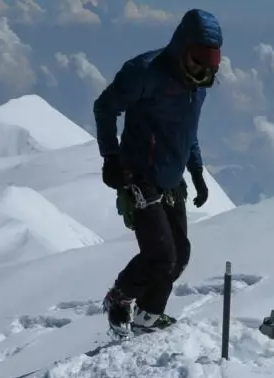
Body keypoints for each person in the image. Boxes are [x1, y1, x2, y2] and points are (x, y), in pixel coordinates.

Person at [93, 9, 222, 335]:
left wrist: (196, 172)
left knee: (179, 255)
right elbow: (105, 108)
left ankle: (148, 315)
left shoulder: (198, 88)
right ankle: (119, 298)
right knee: (161, 255)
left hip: (170, 179)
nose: (202, 71)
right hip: (138, 175)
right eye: (197, 60)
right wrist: (111, 158)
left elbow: (187, 133)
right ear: (181, 48)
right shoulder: (145, 72)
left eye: (210, 64)